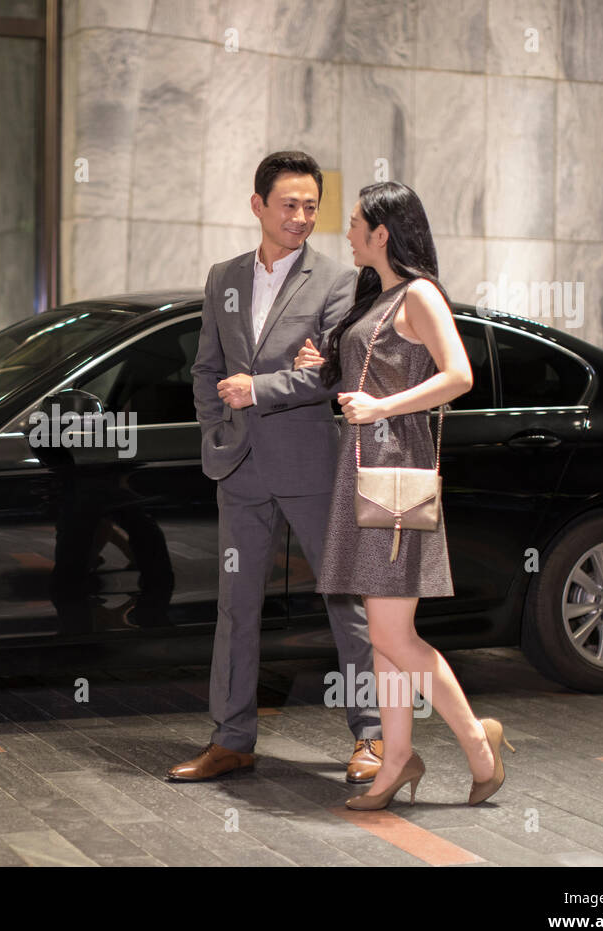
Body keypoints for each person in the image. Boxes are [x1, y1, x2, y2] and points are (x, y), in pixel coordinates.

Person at [294, 180, 514, 809]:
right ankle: (395, 761)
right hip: (368, 472)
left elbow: (459, 375)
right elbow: (374, 373)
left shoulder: (419, 294)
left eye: (357, 221)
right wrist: (329, 368)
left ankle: (477, 743)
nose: (348, 230)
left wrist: (380, 405)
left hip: (395, 474)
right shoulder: (379, 297)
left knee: (393, 637)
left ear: (383, 232)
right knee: (389, 635)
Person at [168, 150, 384, 784]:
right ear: (258, 205)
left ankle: (370, 737)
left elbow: (326, 374)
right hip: (240, 467)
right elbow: (206, 368)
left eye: (312, 206)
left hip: (312, 462)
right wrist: (217, 428)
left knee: (345, 600)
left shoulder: (339, 281)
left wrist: (258, 389)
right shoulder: (224, 277)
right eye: (289, 204)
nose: (301, 217)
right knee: (236, 608)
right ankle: (232, 739)